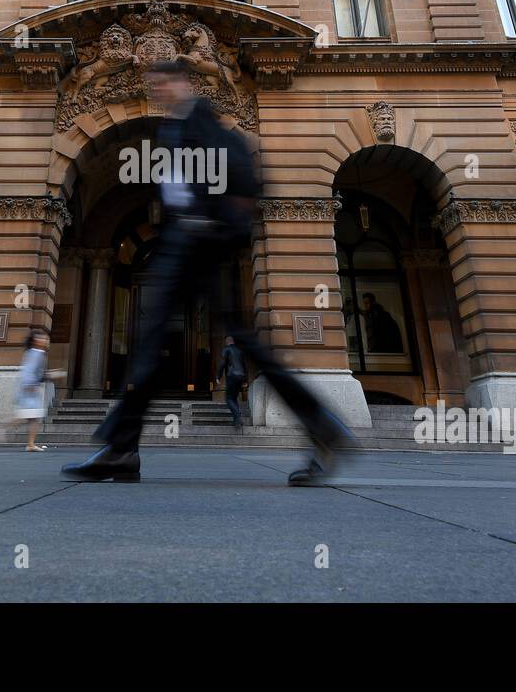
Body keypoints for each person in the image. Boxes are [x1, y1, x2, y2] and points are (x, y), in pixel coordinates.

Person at [61, 59, 353, 485]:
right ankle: (122, 449)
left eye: (162, 82)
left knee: (196, 341)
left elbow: (246, 179)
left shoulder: (207, 123)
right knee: (163, 338)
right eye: (153, 84)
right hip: (182, 247)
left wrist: (216, 229)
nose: (157, 90)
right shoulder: (174, 129)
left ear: (183, 82)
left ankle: (122, 450)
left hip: (202, 245)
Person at [0, 328, 63, 452]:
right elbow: (29, 371)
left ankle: (30, 444)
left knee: (33, 417)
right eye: (41, 338)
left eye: (45, 338)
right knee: (26, 417)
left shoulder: (35, 352)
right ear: (35, 341)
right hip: (29, 389)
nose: (45, 340)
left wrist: (50, 375)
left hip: (29, 388)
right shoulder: (37, 353)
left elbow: (36, 372)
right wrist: (30, 384)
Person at [218, 335, 247, 427]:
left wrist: (218, 376)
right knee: (234, 398)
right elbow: (245, 366)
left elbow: (222, 363)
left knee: (228, 398)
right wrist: (245, 380)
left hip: (232, 375)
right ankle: (236, 421)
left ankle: (237, 417)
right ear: (233, 341)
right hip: (241, 376)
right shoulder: (240, 350)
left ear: (227, 342)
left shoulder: (226, 349)